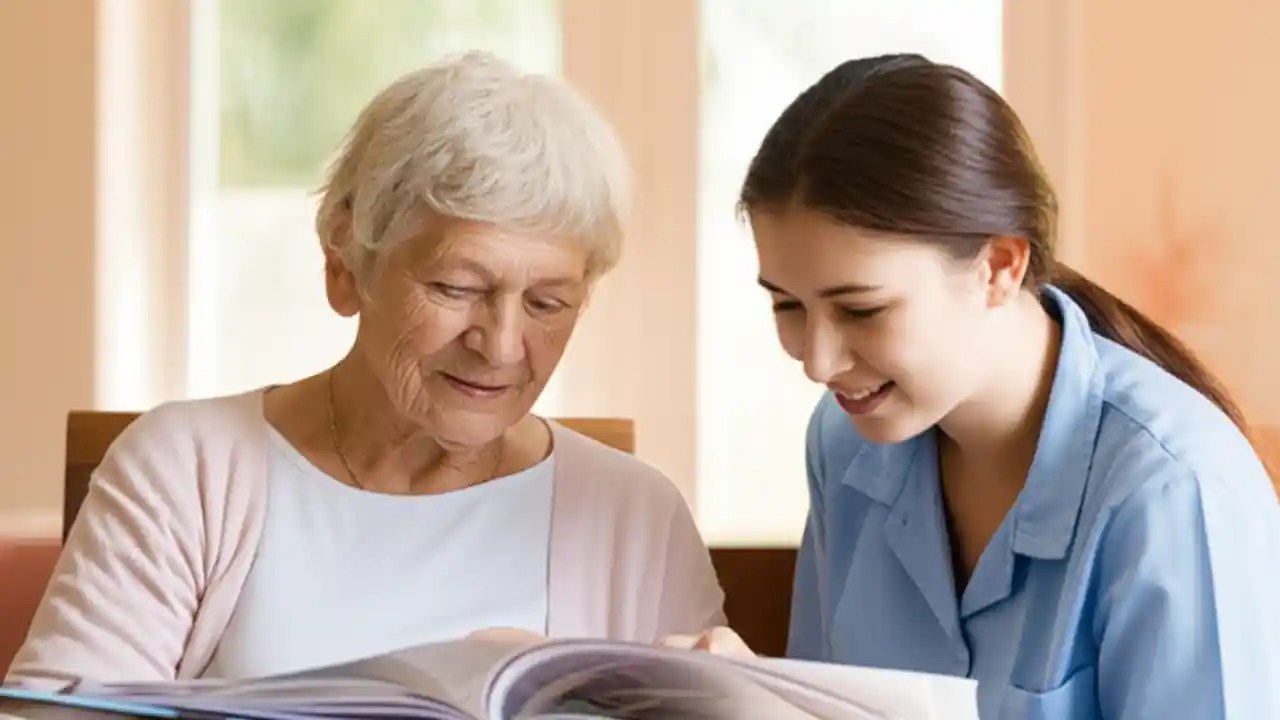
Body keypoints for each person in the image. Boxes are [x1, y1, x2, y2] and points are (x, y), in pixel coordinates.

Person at [7, 51, 724, 687]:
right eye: (457, 288)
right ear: (347, 262)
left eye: (547, 302)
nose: (502, 345)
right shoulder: (184, 470)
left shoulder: (635, 517)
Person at [666, 54, 1280, 718]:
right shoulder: (842, 440)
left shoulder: (1173, 488)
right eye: (787, 306)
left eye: (862, 310)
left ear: (998, 267)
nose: (817, 362)